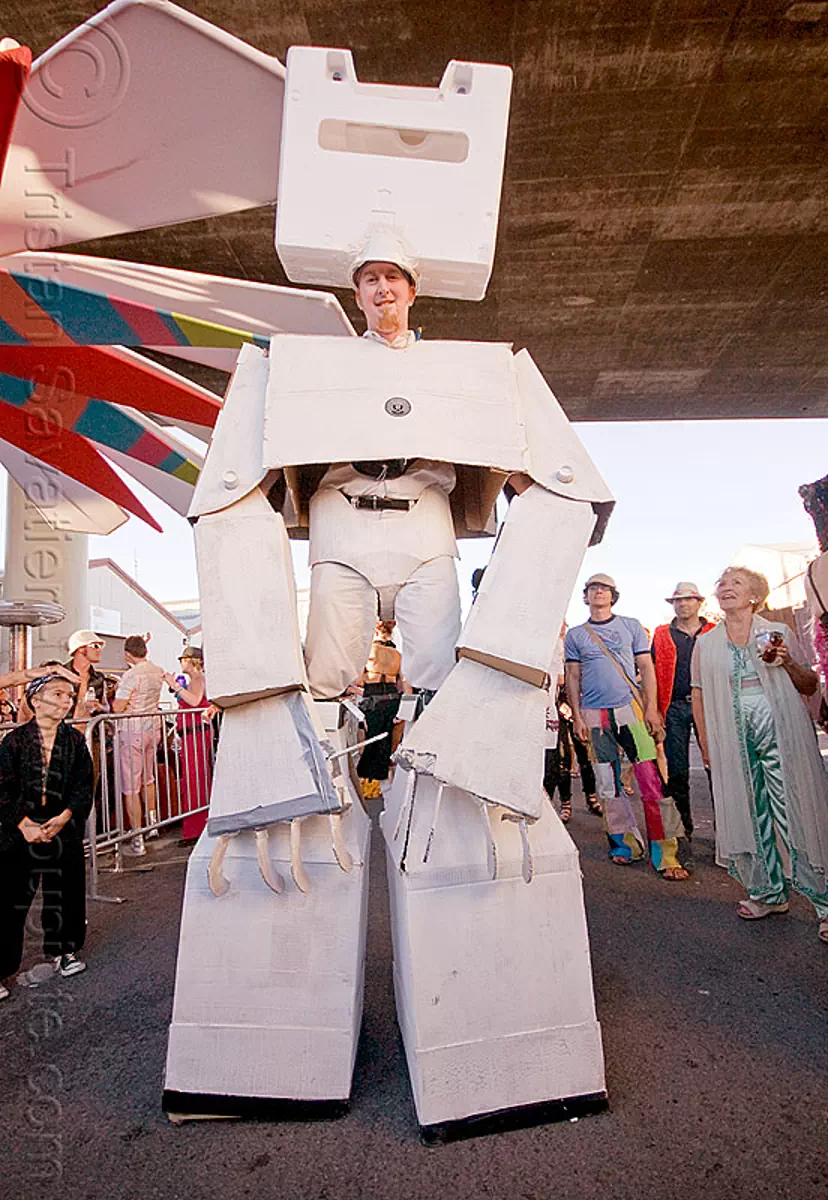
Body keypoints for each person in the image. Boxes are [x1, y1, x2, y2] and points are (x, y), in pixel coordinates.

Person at [303, 241, 462, 702]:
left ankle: (439, 769)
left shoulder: (447, 368)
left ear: (412, 290)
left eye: (392, 278)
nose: (383, 288)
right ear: (357, 296)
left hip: (424, 522)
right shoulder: (326, 369)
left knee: (441, 672)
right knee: (326, 672)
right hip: (343, 521)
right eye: (371, 279)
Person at [692, 566, 828, 942]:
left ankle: (824, 902)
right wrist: (706, 745)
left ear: (755, 595)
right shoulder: (706, 644)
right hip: (734, 738)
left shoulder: (779, 632)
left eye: (736, 583)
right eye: (722, 583)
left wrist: (785, 660)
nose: (726, 588)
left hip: (782, 735)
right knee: (752, 809)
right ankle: (769, 893)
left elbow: (809, 682)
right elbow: (699, 693)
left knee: (794, 809)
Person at [565, 573, 688, 880]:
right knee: (608, 785)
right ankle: (625, 845)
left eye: (604, 588)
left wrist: (651, 710)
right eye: (593, 588)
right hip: (595, 716)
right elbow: (572, 677)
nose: (599, 593)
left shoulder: (631, 625)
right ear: (586, 595)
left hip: (630, 711)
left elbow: (646, 668)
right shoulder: (576, 635)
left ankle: (666, 854)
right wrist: (577, 717)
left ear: (613, 595)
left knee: (652, 782)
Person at [0, 674, 94, 998]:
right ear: (35, 700)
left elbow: (85, 784)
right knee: (10, 898)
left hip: (61, 826)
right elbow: (3, 789)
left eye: (69, 695)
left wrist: (66, 816)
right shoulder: (13, 743)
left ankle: (64, 950)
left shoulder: (75, 741)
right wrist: (23, 823)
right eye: (57, 694)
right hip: (20, 830)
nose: (66, 700)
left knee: (65, 890)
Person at [651, 582, 714, 840]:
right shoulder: (662, 633)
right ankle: (682, 830)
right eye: (679, 600)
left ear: (699, 603)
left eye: (689, 599)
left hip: (707, 704)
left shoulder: (713, 631)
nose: (684, 604)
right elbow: (651, 672)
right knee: (677, 770)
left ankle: (726, 832)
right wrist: (652, 709)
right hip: (674, 706)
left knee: (716, 768)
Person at [113, 635, 164, 856]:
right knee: (148, 778)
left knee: (130, 786)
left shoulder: (130, 675)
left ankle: (137, 838)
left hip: (132, 729)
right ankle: (152, 824)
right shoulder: (157, 671)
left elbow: (118, 707)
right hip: (152, 729)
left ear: (127, 654)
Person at [162, 646, 212, 844]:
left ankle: (197, 827)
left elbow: (195, 700)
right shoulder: (195, 680)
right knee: (192, 779)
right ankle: (194, 826)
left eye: (181, 659)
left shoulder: (198, 679)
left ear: (190, 660)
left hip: (196, 734)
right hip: (191, 734)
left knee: (195, 778)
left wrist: (174, 686)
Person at [356, 621, 408, 800]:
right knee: (386, 746)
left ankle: (369, 787)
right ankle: (385, 790)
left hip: (373, 702)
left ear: (376, 629)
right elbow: (402, 684)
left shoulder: (368, 653)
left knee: (370, 743)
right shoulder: (398, 655)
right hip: (393, 702)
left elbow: (359, 682)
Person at [64, 629, 109, 720]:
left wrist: (98, 707)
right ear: (80, 648)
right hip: (64, 731)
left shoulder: (99, 678)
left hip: (90, 731)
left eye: (100, 647)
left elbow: (106, 707)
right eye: (95, 646)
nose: (99, 650)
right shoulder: (61, 675)